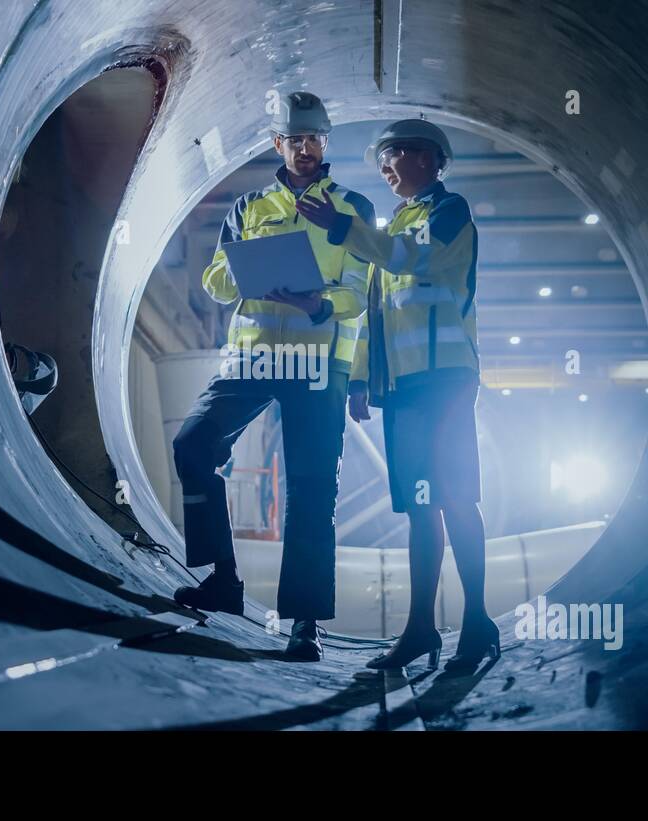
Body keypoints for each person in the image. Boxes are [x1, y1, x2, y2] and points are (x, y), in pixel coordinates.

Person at [172, 91, 375, 661]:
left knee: (311, 488)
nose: (305, 148)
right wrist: (249, 275)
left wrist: (318, 304)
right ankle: (223, 578)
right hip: (254, 355)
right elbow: (214, 282)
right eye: (295, 139)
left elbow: (360, 293)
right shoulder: (247, 208)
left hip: (319, 361)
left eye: (313, 138)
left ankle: (305, 623)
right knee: (193, 444)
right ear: (277, 144)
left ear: (325, 142)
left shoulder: (353, 207)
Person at [295, 118, 499, 673]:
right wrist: (362, 377)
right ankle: (420, 631)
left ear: (431, 160)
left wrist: (344, 228)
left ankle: (478, 622)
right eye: (382, 159)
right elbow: (379, 312)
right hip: (405, 387)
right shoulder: (394, 226)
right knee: (421, 507)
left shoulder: (448, 212)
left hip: (446, 380)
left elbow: (417, 260)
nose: (386, 167)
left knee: (456, 497)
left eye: (396, 155)